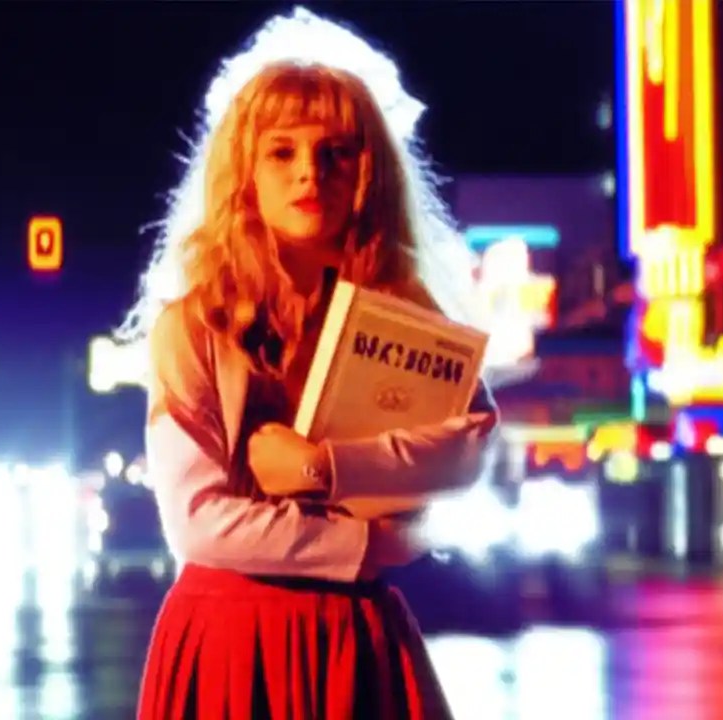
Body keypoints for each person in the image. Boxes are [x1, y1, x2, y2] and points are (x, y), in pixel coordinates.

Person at [120, 8, 499, 719]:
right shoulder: (193, 326)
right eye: (282, 152)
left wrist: (319, 467)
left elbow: (469, 444)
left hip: (357, 637)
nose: (309, 174)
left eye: (336, 152)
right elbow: (197, 521)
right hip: (233, 637)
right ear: (245, 174)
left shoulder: (401, 311)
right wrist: (362, 542)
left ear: (371, 172)